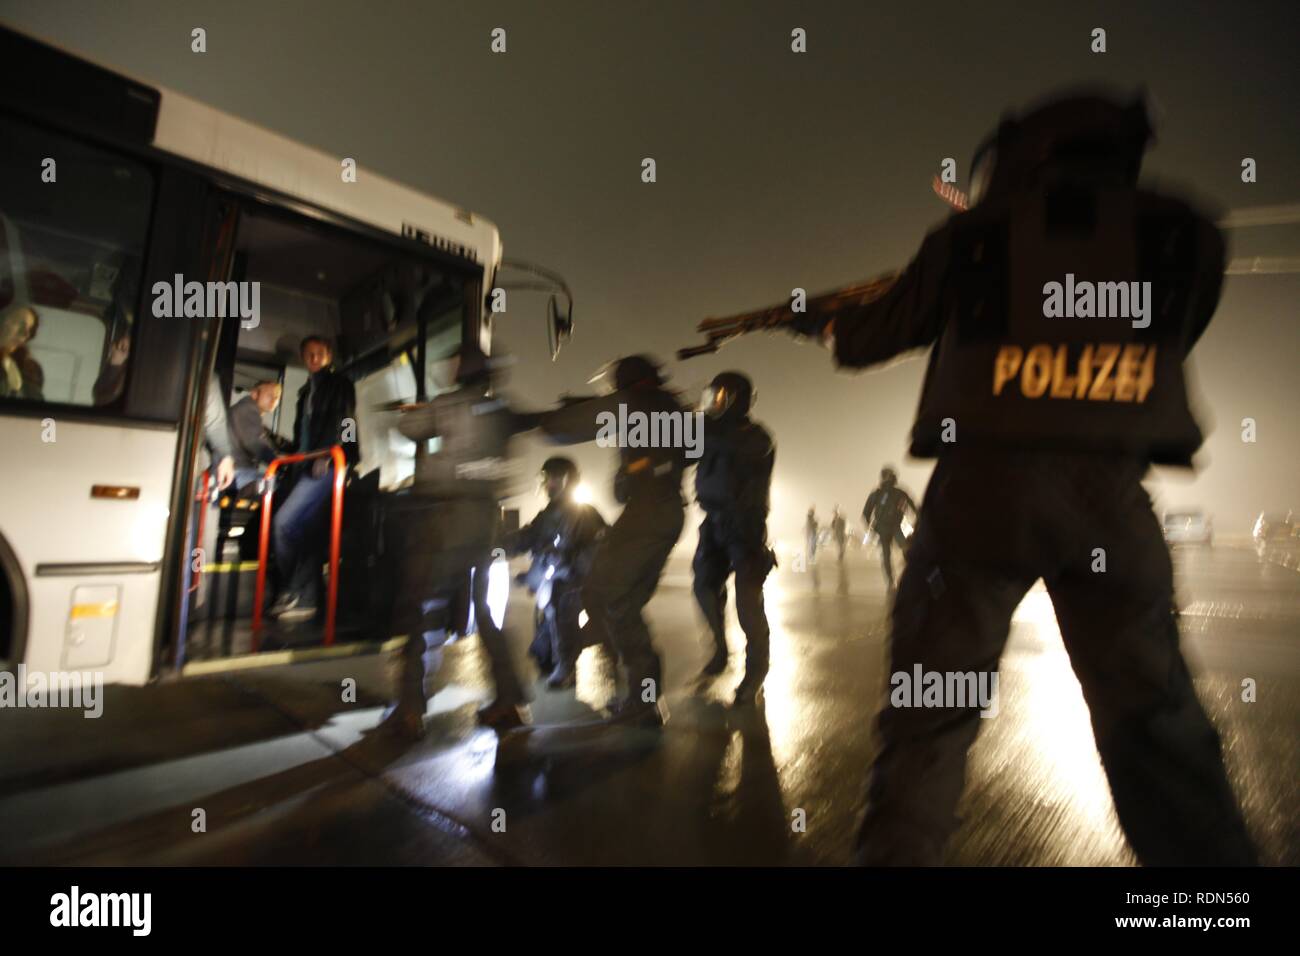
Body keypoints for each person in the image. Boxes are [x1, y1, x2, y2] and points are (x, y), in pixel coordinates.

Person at [776, 90, 1256, 865]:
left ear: (1029, 153)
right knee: (1156, 729)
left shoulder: (972, 234)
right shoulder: (1188, 233)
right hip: (1111, 499)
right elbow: (1176, 333)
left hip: (982, 492)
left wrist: (820, 320)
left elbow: (873, 338)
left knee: (931, 719)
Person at [384, 348, 534, 736]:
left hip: (447, 521)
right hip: (486, 523)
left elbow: (410, 430)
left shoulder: (449, 404)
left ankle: (410, 709)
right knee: (484, 613)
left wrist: (411, 411)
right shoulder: (501, 409)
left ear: (461, 373)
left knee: (421, 610)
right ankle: (508, 700)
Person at [536, 354, 690, 728]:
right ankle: (645, 698)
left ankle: (641, 695)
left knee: (603, 591)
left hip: (648, 513)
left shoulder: (638, 403)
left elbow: (564, 428)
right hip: (663, 513)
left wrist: (530, 419)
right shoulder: (668, 408)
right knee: (623, 602)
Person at [692, 371, 776, 705]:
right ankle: (720, 648)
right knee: (704, 587)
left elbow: (730, 446)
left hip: (745, 525)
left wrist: (698, 425)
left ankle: (756, 670)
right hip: (713, 521)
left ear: (736, 399)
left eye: (719, 396)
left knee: (747, 602)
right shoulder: (709, 431)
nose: (713, 403)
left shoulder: (756, 436)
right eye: (711, 396)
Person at [268, 336, 360, 623]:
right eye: (309, 354)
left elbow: (346, 421)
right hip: (305, 466)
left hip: (327, 464)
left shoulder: (339, 384)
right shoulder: (305, 392)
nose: (314, 358)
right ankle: (302, 593)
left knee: (284, 522)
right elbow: (304, 436)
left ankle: (298, 591)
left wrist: (333, 455)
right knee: (298, 528)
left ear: (329, 356)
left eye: (319, 353)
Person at [505, 456, 608, 689]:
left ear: (565, 481)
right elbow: (530, 536)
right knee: (549, 624)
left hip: (576, 581)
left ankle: (567, 668)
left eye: (552, 479)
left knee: (561, 615)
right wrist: (499, 545)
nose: (548, 485)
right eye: (546, 479)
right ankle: (559, 659)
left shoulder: (584, 514)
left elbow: (599, 548)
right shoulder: (550, 513)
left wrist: (571, 566)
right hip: (556, 578)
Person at [861, 467, 917, 593]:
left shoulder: (877, 494)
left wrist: (871, 527)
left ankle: (891, 581)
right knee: (904, 548)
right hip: (892, 527)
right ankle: (908, 575)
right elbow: (914, 507)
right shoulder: (899, 492)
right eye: (892, 476)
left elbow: (865, 514)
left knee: (887, 555)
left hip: (884, 528)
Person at [227, 381, 290, 492]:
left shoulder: (249, 412)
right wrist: (279, 463)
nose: (274, 400)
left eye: (277, 397)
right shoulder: (246, 409)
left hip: (238, 470)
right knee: (284, 488)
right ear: (254, 394)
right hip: (236, 471)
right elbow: (256, 443)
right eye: (270, 395)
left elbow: (268, 437)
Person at [0, 304, 43, 400]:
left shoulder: (31, 370)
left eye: (30, 330)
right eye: (20, 324)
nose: (25, 333)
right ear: (3, 320)